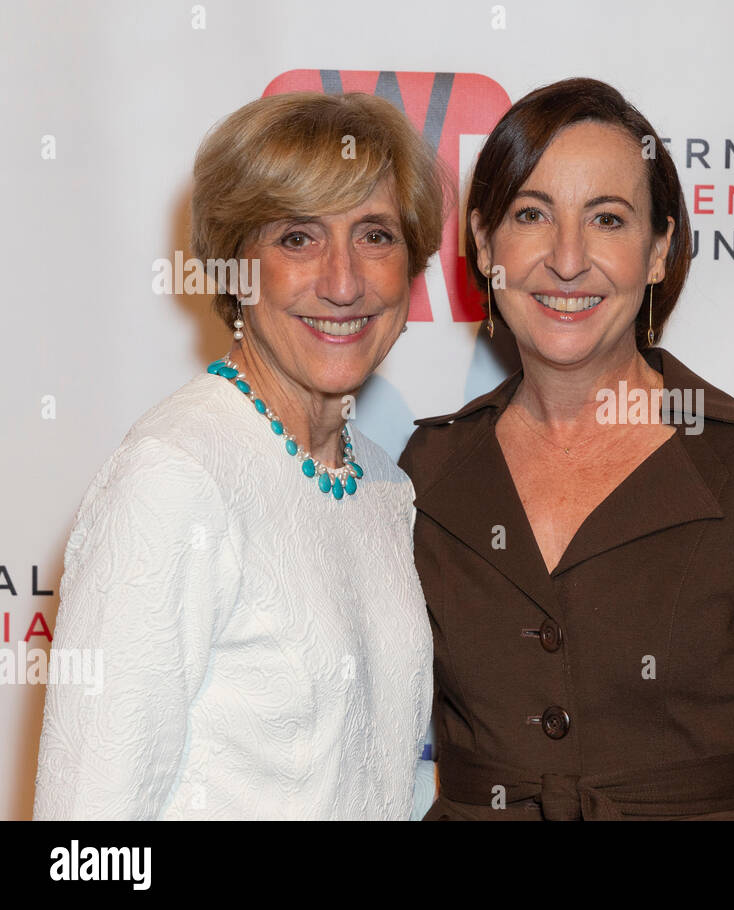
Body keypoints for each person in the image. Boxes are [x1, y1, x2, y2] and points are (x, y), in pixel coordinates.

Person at [399, 77, 734, 820]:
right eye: (531, 215)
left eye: (607, 219)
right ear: (483, 244)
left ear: (660, 250)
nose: (567, 260)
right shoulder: (429, 468)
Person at [34, 91, 443, 819]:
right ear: (235, 268)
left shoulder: (383, 484)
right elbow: (84, 837)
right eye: (297, 238)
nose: (343, 281)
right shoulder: (175, 475)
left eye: (375, 235)